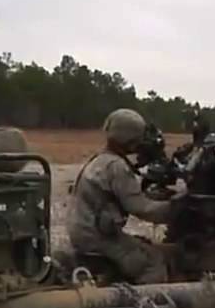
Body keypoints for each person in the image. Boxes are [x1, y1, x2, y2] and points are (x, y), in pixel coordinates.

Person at [67, 109, 174, 284]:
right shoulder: (116, 166)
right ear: (130, 138)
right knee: (153, 262)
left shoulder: (101, 159)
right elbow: (141, 208)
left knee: (141, 244)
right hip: (97, 238)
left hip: (83, 233)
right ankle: (146, 305)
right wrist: (175, 207)